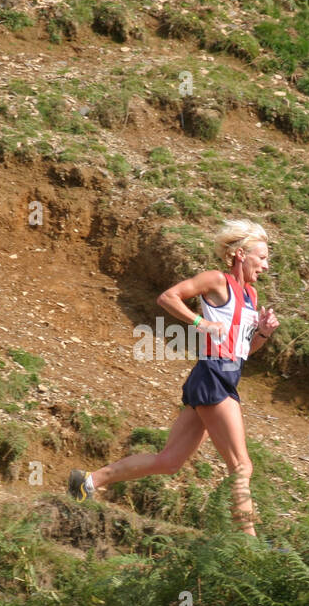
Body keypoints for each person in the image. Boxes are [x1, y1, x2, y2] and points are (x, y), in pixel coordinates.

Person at [68, 219, 279, 536]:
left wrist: (262, 332)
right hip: (214, 376)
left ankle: (87, 482)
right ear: (239, 254)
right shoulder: (216, 280)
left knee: (168, 462)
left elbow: (245, 350)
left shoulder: (251, 295)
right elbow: (168, 297)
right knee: (242, 467)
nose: (265, 265)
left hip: (223, 375)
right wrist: (199, 323)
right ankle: (249, 549)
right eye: (261, 257)